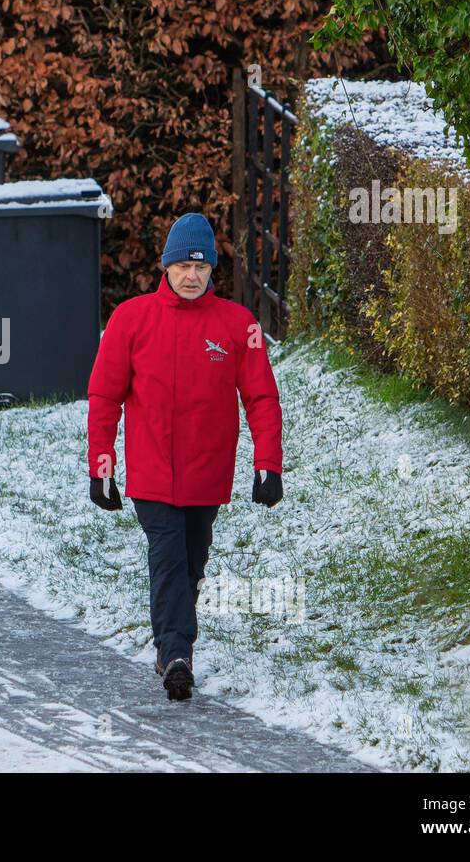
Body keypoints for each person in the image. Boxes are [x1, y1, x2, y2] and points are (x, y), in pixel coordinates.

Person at [86, 212, 283, 701]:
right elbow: (104, 397)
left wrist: (268, 465)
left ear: (212, 270)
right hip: (152, 475)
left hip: (206, 476)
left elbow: (261, 398)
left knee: (192, 564)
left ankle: (170, 643)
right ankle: (176, 654)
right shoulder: (131, 319)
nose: (191, 276)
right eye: (182, 267)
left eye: (201, 267)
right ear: (166, 267)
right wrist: (102, 468)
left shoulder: (240, 326)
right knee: (169, 558)